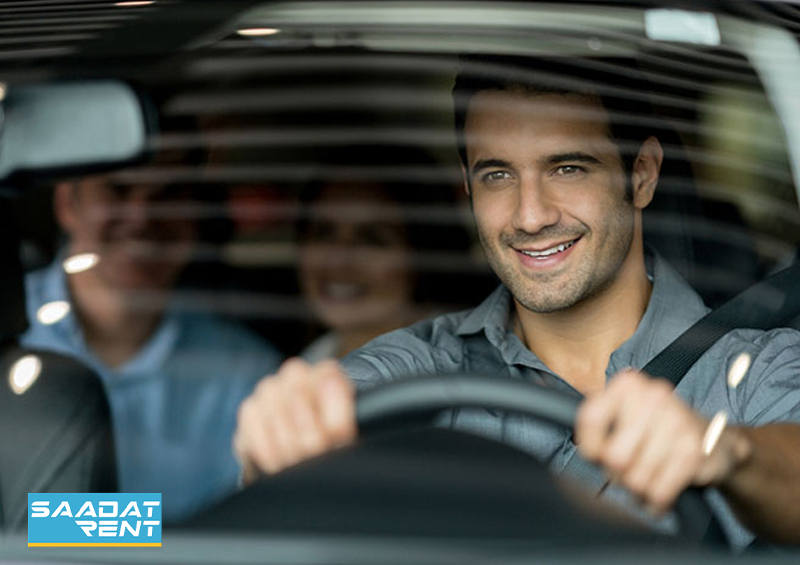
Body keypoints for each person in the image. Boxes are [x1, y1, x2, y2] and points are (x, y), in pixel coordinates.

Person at [232, 56, 800, 548]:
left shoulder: (752, 368)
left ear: (642, 175)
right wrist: (288, 435)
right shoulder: (421, 366)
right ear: (467, 186)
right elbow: (346, 403)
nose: (530, 216)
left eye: (568, 168)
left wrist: (725, 451)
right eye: (498, 175)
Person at [21, 150, 282, 522]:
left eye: (169, 194)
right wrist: (162, 527)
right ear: (67, 203)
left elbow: (246, 529)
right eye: (118, 188)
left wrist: (45, 523)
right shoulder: (7, 322)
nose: (142, 216)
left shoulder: (248, 373)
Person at [297, 147, 477, 362]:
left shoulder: (466, 368)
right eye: (323, 233)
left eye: (372, 239)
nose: (338, 261)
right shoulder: (309, 364)